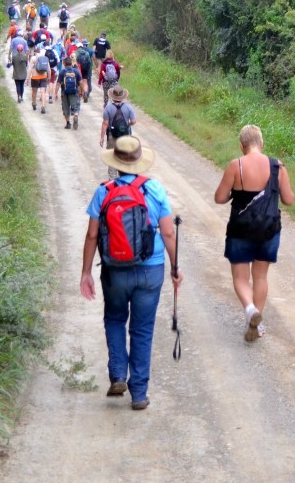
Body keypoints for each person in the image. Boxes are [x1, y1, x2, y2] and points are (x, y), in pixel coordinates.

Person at [79, 136, 182, 411]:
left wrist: (86, 272)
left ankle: (117, 375)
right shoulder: (156, 190)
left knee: (114, 318)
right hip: (151, 270)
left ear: (116, 164)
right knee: (142, 329)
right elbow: (169, 232)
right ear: (139, 162)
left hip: (114, 270)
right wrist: (174, 268)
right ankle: (138, 393)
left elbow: (91, 236)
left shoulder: (104, 191)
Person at [213, 125, 295, 343]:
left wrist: (235, 191)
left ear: (242, 146)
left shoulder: (236, 166)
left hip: (240, 228)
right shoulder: (278, 167)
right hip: (268, 230)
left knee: (240, 277)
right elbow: (289, 200)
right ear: (262, 143)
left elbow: (219, 198)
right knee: (260, 276)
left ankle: (250, 310)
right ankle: (256, 323)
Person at [100, 84, 137, 179]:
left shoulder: (108, 108)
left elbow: (105, 123)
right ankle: (124, 179)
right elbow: (133, 121)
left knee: (112, 158)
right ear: (122, 96)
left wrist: (102, 138)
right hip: (126, 137)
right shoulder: (128, 107)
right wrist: (128, 125)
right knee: (124, 158)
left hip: (112, 136)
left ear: (112, 96)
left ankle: (112, 181)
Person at [55, 54, 83, 130]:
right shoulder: (76, 71)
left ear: (64, 63)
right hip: (74, 92)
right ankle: (76, 115)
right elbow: (80, 83)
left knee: (65, 108)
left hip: (64, 92)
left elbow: (58, 84)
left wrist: (55, 93)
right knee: (76, 106)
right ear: (71, 63)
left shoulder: (62, 72)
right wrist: (82, 91)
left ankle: (68, 123)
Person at [30, 45, 53, 114]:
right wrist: (49, 77)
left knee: (34, 92)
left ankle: (34, 103)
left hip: (35, 77)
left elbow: (29, 69)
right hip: (43, 77)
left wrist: (27, 78)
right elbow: (48, 69)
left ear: (35, 52)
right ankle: (43, 106)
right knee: (43, 92)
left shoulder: (33, 58)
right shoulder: (45, 58)